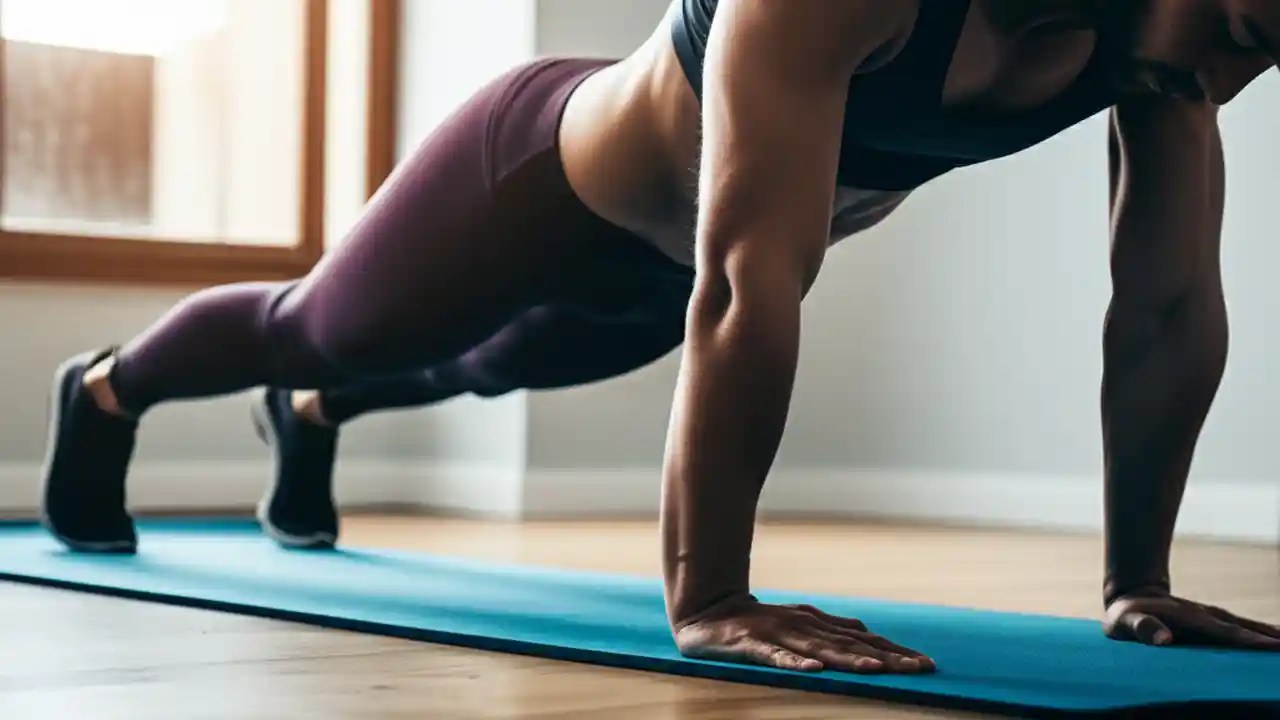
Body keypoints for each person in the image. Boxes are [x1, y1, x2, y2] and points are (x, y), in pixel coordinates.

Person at [39, 0, 1280, 675]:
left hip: (670, 259)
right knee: (320, 326)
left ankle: (312, 422)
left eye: (1265, 49)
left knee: (491, 367)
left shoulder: (1155, 57)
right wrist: (711, 597)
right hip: (538, 183)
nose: (1235, 71)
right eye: (1235, 32)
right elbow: (749, 286)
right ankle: (105, 392)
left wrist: (1136, 581)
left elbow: (1163, 307)